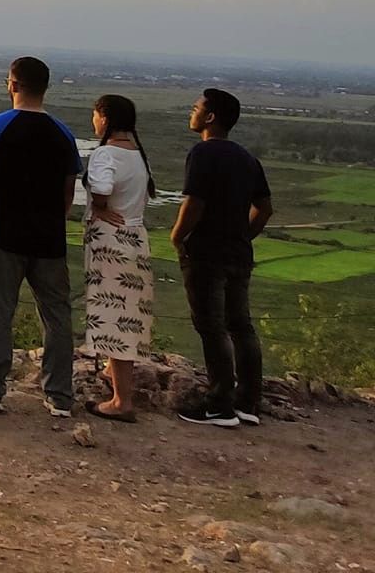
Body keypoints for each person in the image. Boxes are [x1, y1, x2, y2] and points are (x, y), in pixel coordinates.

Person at [0, 55, 81, 417]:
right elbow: (68, 191)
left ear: (13, 85)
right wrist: (52, 221)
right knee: (56, 315)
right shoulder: (64, 134)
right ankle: (60, 395)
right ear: (45, 87)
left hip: (3, 233)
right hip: (49, 239)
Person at [171, 88, 272, 428]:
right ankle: (249, 402)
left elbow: (194, 202)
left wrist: (178, 235)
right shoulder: (247, 158)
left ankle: (219, 404)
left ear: (210, 117)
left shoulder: (203, 153)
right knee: (240, 325)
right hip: (238, 252)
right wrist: (243, 234)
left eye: (197, 107)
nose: (192, 111)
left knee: (211, 327)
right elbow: (264, 208)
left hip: (206, 252)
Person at [82, 94, 154, 421]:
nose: (94, 121)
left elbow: (102, 189)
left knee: (114, 316)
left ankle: (121, 401)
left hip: (111, 243)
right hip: (135, 239)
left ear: (105, 117)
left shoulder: (105, 154)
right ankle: (114, 377)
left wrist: (98, 206)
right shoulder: (138, 155)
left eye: (96, 115)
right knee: (128, 313)